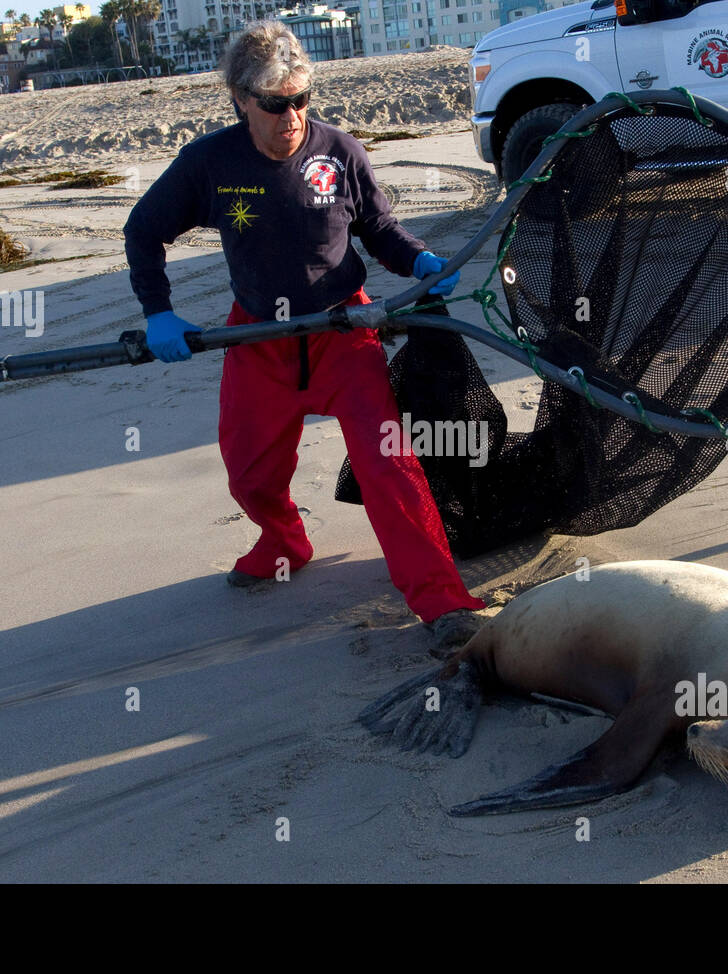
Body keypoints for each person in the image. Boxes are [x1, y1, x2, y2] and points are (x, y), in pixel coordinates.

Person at [123, 21, 484, 648]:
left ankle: (442, 600)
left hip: (342, 330)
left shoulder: (340, 151)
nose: (292, 115)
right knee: (249, 472)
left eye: (301, 99)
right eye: (274, 103)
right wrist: (158, 311)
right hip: (257, 337)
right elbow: (143, 229)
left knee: (389, 465)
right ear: (240, 99)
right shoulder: (209, 163)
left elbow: (380, 228)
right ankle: (284, 538)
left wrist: (419, 259)